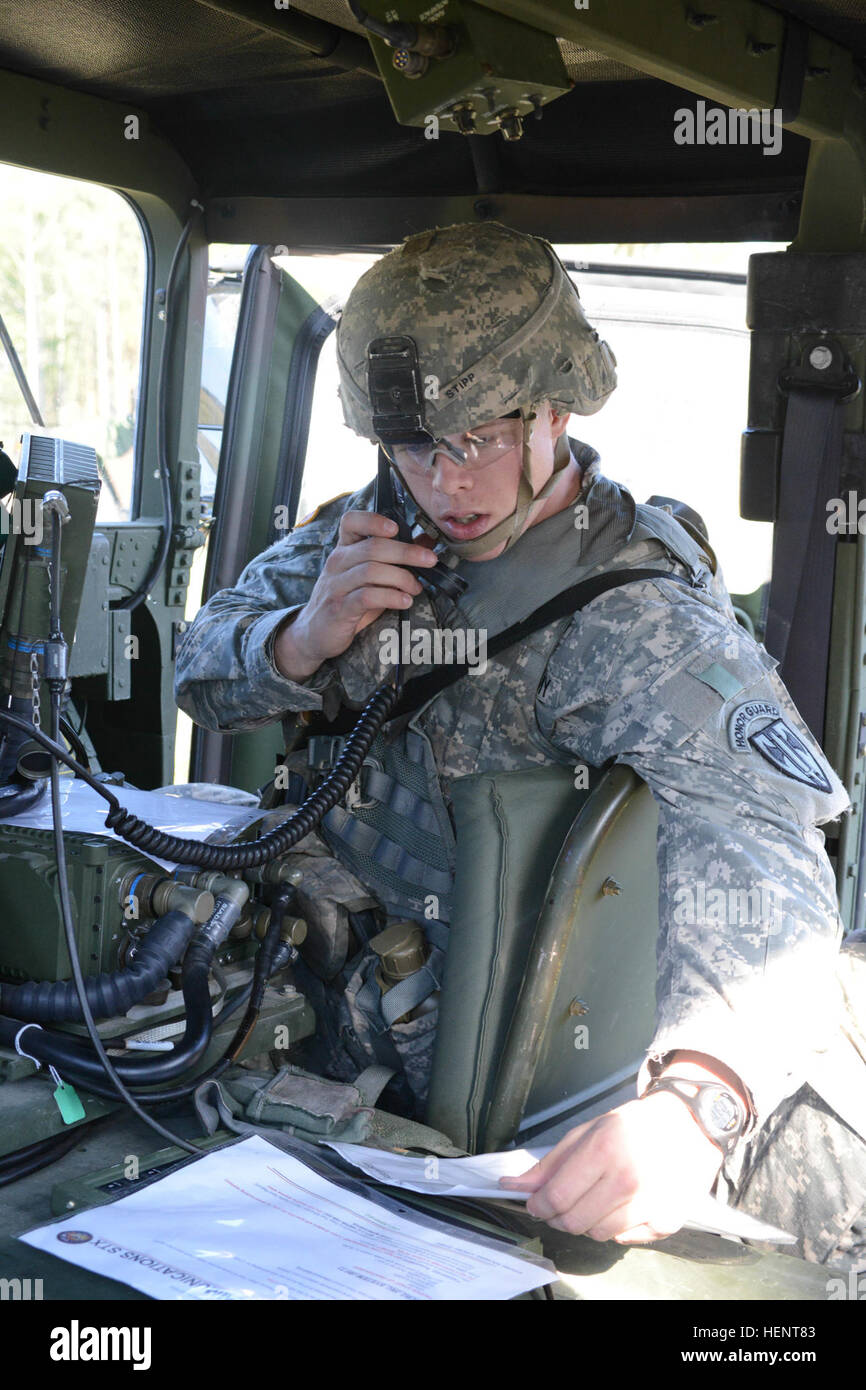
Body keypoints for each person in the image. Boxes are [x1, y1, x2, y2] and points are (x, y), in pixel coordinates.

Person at [176, 221, 866, 1270]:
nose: (446, 482)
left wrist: (696, 1100)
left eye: (481, 437)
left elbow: (762, 854)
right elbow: (197, 666)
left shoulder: (629, 615)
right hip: (329, 1056)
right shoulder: (362, 529)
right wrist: (300, 637)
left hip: (506, 1101)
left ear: (555, 409)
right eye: (415, 446)